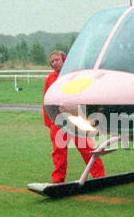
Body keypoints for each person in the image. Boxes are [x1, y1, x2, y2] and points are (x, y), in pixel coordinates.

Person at [44, 50, 106, 183]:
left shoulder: (74, 76)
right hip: (58, 121)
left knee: (86, 149)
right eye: (52, 61)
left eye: (57, 60)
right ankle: (58, 179)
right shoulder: (50, 79)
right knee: (58, 152)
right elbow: (46, 101)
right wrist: (49, 123)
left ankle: (99, 176)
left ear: (64, 60)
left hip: (76, 118)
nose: (54, 63)